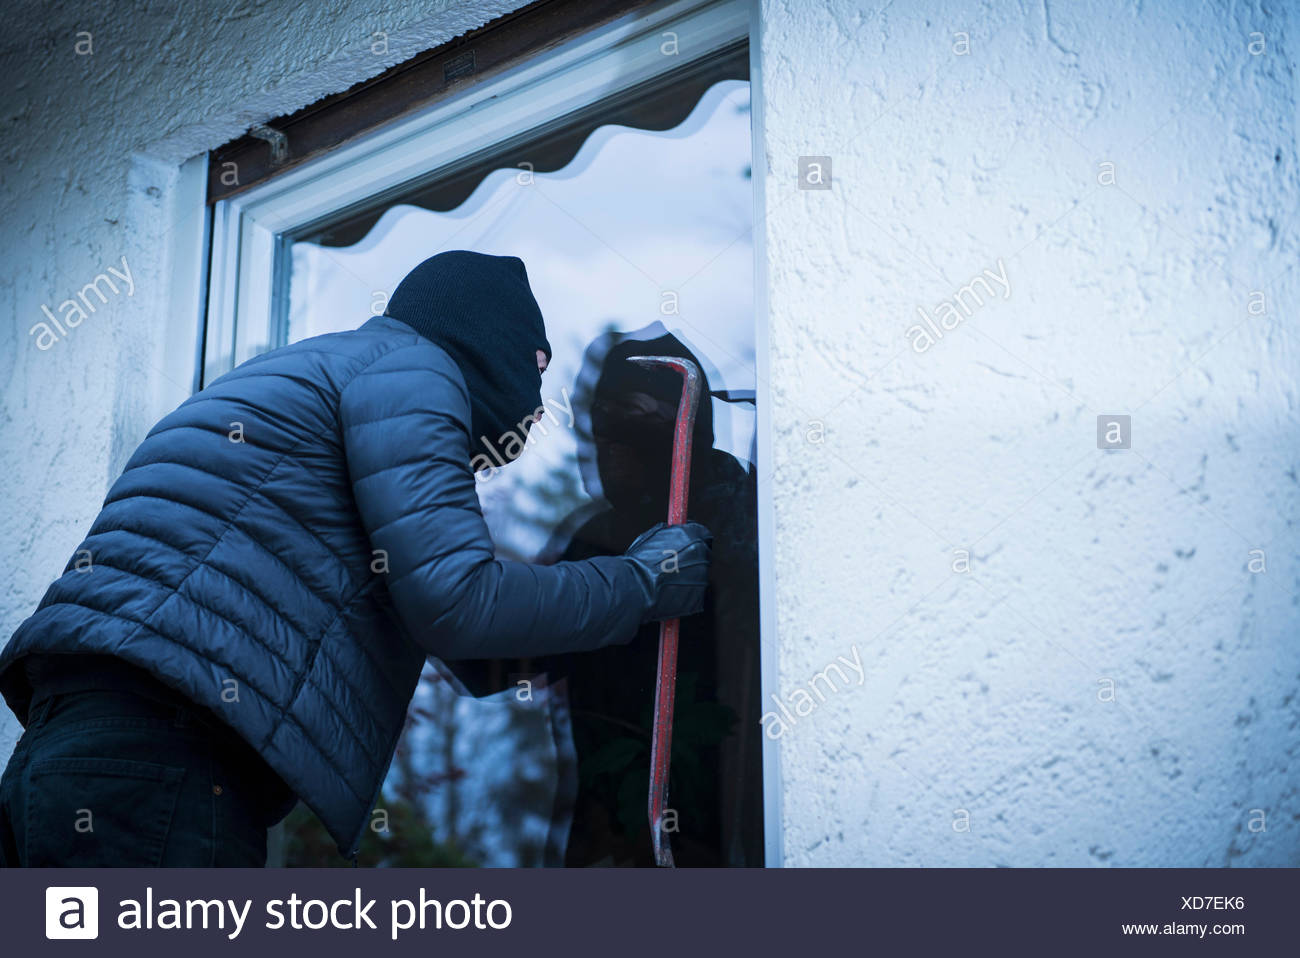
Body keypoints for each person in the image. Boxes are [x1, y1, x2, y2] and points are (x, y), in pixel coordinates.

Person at [0, 250, 712, 867]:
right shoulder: (414, 368)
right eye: (536, 366)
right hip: (162, 763)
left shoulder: (326, 372)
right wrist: (643, 582)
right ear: (485, 343)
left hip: (68, 754)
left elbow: (457, 634)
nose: (535, 407)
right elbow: (462, 604)